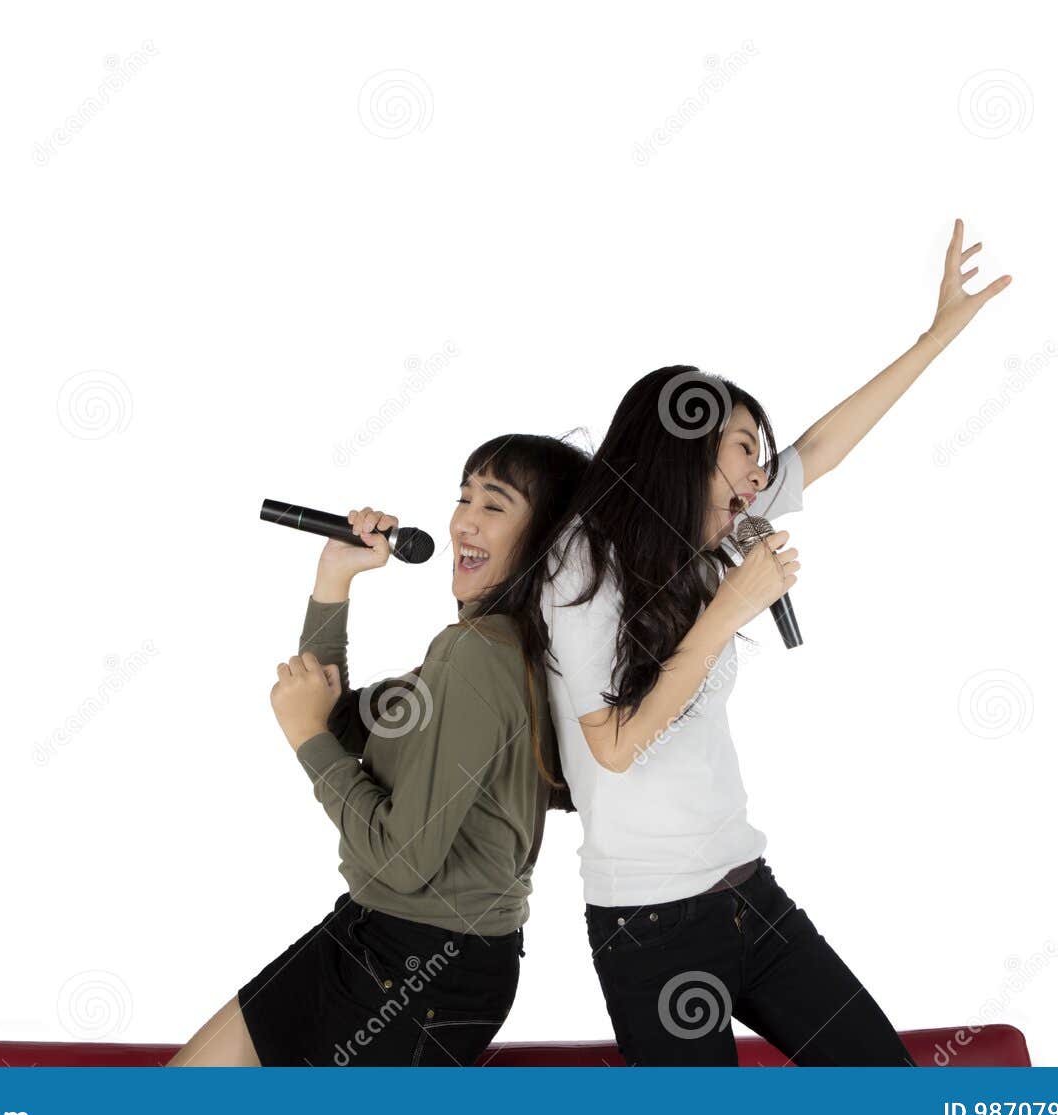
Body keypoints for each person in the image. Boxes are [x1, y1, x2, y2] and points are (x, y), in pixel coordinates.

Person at [533, 221, 1011, 1064]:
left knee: (886, 1085)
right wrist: (730, 607)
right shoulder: (584, 561)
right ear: (682, 452)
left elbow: (822, 447)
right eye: (744, 452)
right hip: (649, 926)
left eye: (760, 458)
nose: (761, 478)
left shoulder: (714, 535)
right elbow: (614, 743)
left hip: (748, 895)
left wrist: (936, 336)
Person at [170, 433, 588, 1066]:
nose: (463, 522)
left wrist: (304, 739)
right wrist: (334, 579)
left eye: (494, 506)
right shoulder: (488, 647)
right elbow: (342, 719)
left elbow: (401, 859)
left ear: (547, 539)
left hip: (418, 963)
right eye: (464, 497)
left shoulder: (478, 655)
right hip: (387, 938)